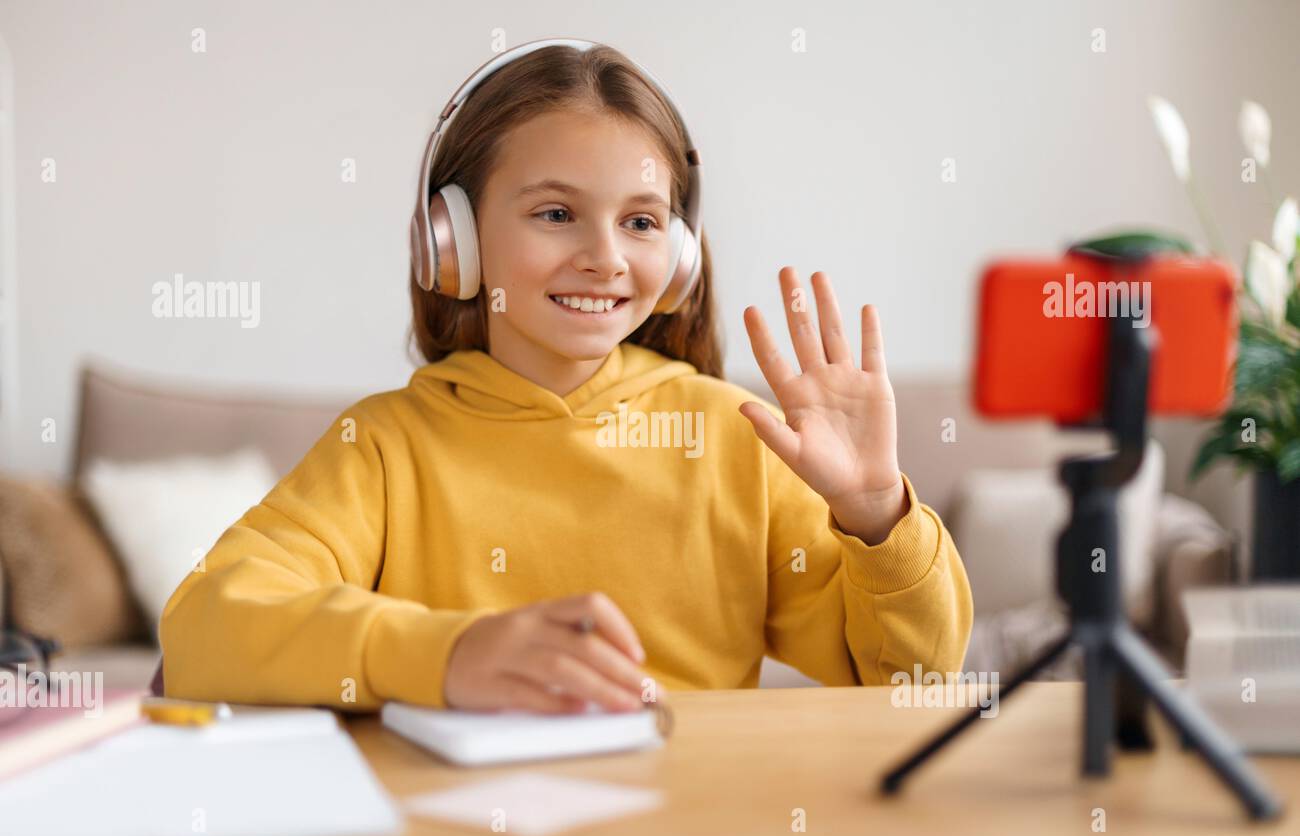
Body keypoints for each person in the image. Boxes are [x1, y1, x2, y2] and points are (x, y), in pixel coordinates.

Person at [159, 39, 973, 714]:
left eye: (642, 222)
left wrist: (875, 518)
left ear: (681, 256)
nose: (606, 257)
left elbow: (909, 684)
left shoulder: (738, 435)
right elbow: (203, 629)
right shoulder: (382, 447)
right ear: (455, 238)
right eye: (556, 213)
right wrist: (446, 654)